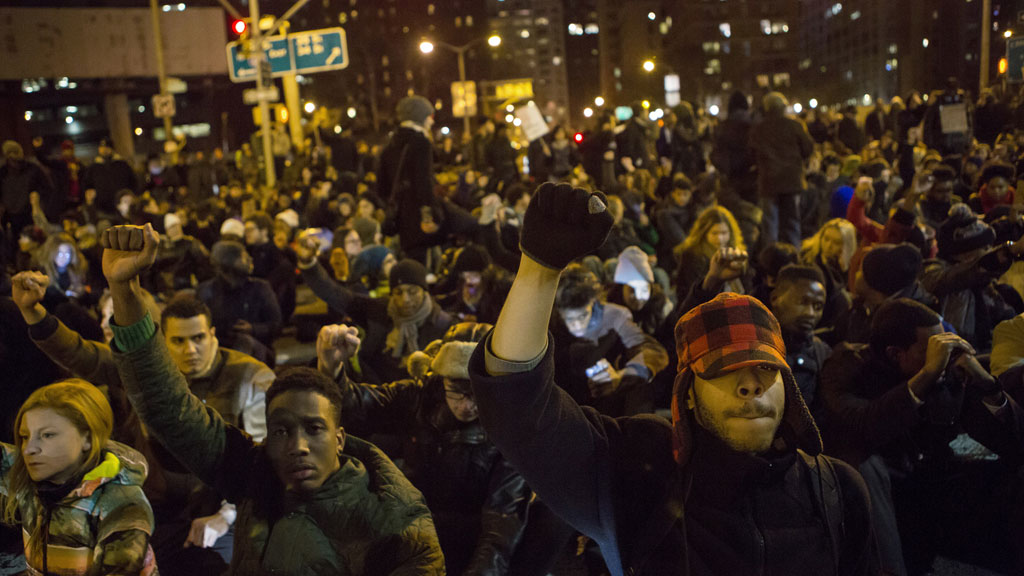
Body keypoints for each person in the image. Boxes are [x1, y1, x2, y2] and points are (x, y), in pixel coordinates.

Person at [468, 182, 874, 575]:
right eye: (722, 369)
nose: (751, 384)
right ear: (690, 393)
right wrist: (539, 269)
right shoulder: (640, 474)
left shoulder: (837, 491)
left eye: (765, 366)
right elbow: (519, 405)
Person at [99, 222, 446, 574]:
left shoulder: (395, 518)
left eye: (313, 429)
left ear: (340, 438)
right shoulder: (255, 476)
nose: (298, 445)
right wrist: (124, 290)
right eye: (281, 431)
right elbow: (167, 406)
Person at [12, 274, 273, 574]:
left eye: (198, 338)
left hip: (223, 507)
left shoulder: (250, 378)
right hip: (160, 503)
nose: (190, 349)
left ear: (212, 334)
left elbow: (259, 463)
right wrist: (35, 315)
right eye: (179, 340)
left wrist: (224, 517)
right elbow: (84, 355)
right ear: (162, 341)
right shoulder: (147, 373)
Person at [820, 298, 1024, 575]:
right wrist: (927, 374)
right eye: (933, 349)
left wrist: (988, 385)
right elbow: (862, 425)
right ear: (895, 354)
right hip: (882, 487)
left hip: (933, 480)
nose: (944, 355)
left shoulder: (946, 370)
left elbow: (1010, 439)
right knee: (867, 469)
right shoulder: (847, 366)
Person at [316, 322, 531, 575]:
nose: (466, 405)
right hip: (411, 520)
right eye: (456, 390)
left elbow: (500, 522)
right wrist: (331, 367)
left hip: (469, 538)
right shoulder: (421, 396)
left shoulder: (511, 428)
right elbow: (359, 407)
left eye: (477, 394)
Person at [1, 379, 157, 575]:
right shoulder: (31, 482)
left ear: (88, 439)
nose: (29, 449)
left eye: (47, 435)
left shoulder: (120, 503)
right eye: (25, 436)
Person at [298, 235, 454, 383]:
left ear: (424, 291)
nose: (405, 299)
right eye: (398, 292)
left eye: (412, 292)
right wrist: (309, 263)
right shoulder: (378, 310)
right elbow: (334, 293)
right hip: (376, 396)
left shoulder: (443, 325)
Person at [377, 95, 440, 263]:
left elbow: (381, 187)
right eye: (430, 117)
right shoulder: (421, 143)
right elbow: (423, 183)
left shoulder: (390, 145)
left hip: (399, 218)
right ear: (420, 118)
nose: (432, 122)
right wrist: (432, 214)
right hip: (418, 216)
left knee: (408, 262)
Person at [749, 92, 815, 247]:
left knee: (770, 224)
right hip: (791, 180)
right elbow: (808, 148)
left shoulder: (759, 129)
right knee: (792, 222)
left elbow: (751, 153)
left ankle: (770, 259)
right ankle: (793, 256)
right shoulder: (794, 125)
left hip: (768, 181)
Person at [196, 240, 283, 358]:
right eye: (244, 257)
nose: (250, 259)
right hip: (218, 349)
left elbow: (276, 325)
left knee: (244, 341)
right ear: (228, 262)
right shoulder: (206, 291)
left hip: (257, 351)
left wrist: (253, 329)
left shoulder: (260, 288)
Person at [674, 205, 747, 303]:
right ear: (704, 233)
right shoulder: (692, 256)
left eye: (724, 233)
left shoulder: (736, 253)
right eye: (714, 233)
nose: (720, 239)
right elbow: (688, 292)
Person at [244, 211, 297, 322]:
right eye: (246, 230)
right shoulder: (249, 251)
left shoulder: (275, 255)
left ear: (264, 231)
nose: (247, 234)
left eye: (250, 230)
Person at [81, 139, 136, 216]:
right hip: (101, 208)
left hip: (122, 206)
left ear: (112, 149)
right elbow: (87, 184)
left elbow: (132, 182)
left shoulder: (122, 165)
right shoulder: (93, 167)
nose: (104, 150)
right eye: (102, 147)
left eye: (107, 147)